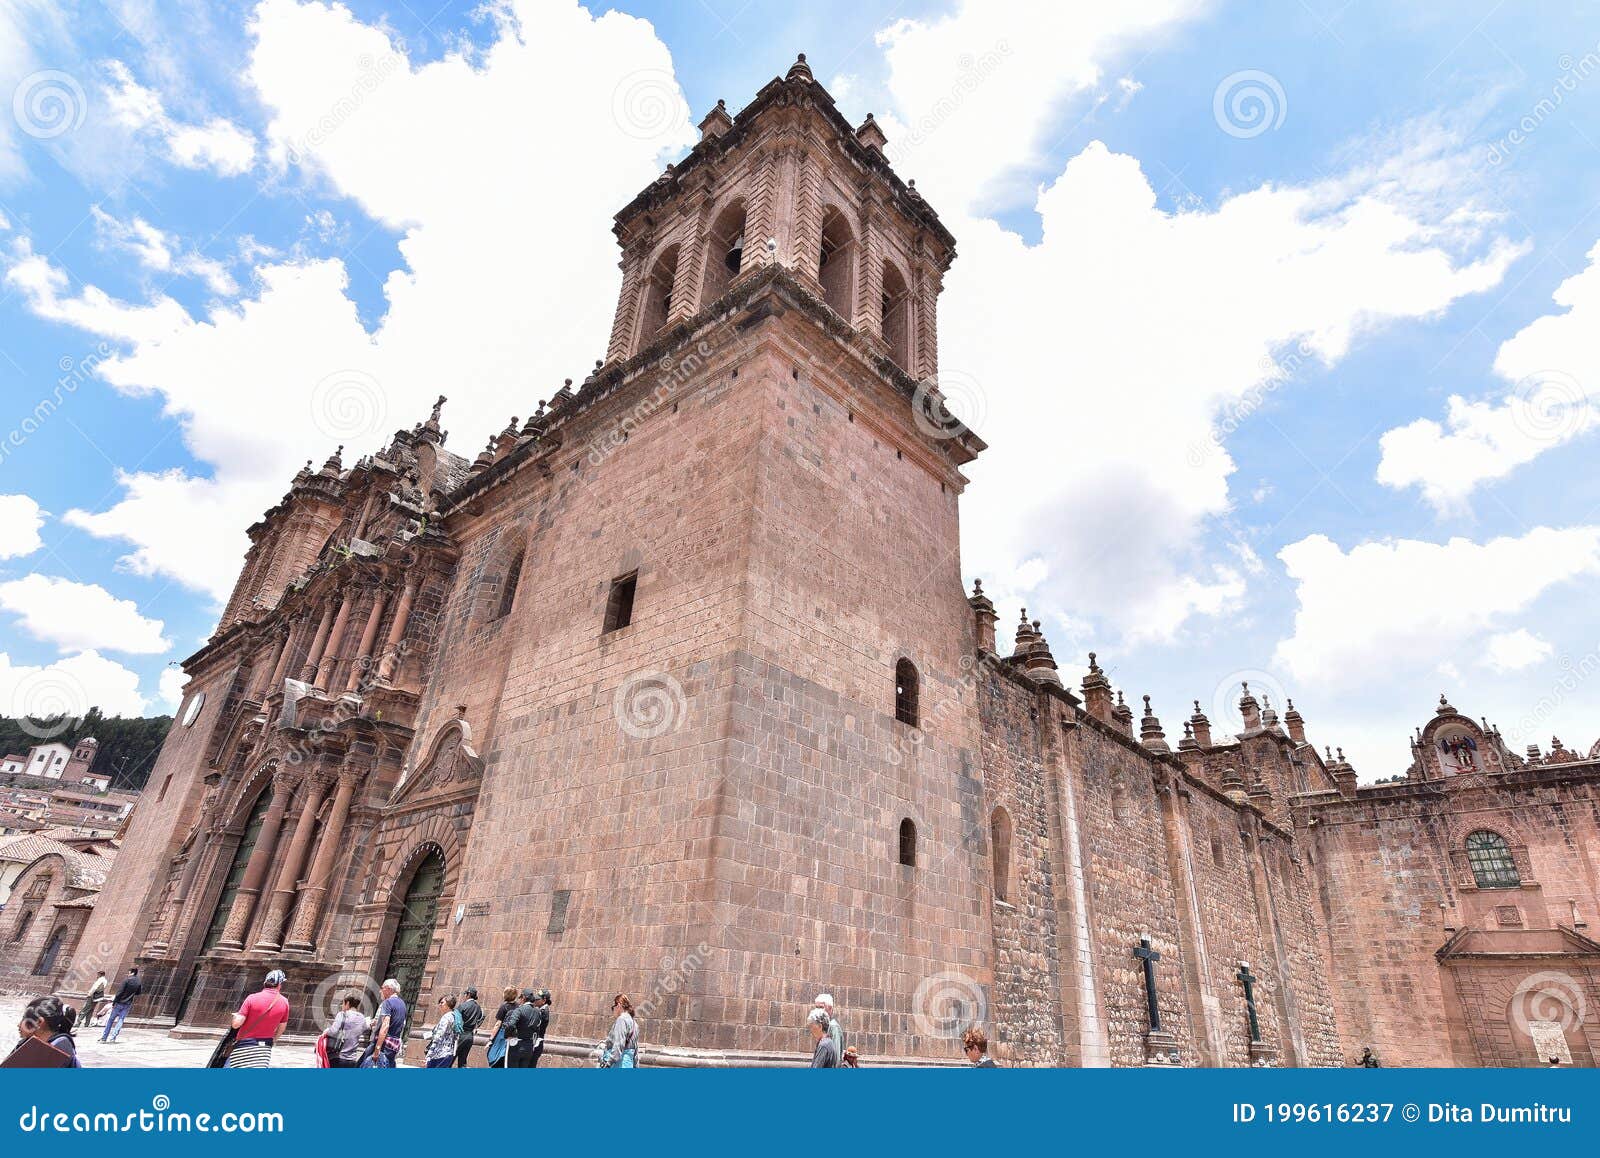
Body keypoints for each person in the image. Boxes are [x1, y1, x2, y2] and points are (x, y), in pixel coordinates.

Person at [226, 969, 291, 1068]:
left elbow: (236, 1024)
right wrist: (274, 1040)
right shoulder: (284, 1002)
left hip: (244, 1046)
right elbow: (282, 1027)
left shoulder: (252, 998)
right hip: (264, 1049)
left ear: (265, 982)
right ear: (279, 984)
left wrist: (235, 1017)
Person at [8, 996, 81, 1067]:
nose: (18, 1024)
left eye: (24, 1019)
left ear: (39, 1022)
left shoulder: (58, 1048)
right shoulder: (32, 1044)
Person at [371, 978, 408, 1068]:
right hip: (394, 1045)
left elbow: (385, 1026)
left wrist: (377, 1049)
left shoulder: (387, 1002)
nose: (380, 991)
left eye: (382, 988)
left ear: (389, 989)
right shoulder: (402, 1004)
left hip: (384, 1044)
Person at [324, 994, 368, 1068]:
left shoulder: (342, 1015)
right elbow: (364, 1029)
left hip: (338, 1057)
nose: (342, 1006)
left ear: (347, 1003)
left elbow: (333, 1031)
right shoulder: (362, 1018)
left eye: (343, 1003)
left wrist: (326, 1031)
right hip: (352, 1059)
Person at [99, 967, 142, 1043]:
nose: (128, 974)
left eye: (129, 972)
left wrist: (114, 1002)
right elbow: (138, 993)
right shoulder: (138, 982)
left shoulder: (127, 980)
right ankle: (113, 1037)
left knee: (111, 1020)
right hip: (128, 1003)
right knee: (121, 1020)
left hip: (119, 1002)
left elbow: (120, 992)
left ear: (132, 972)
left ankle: (104, 1037)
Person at [599, 993, 637, 1069]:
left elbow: (618, 1044)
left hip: (618, 1063)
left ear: (619, 1005)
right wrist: (635, 1065)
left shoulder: (621, 1020)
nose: (613, 1011)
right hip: (628, 1064)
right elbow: (635, 1048)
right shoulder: (634, 1023)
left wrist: (608, 1063)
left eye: (613, 1007)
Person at [504, 989, 540, 1068]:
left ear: (523, 998)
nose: (519, 1000)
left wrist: (507, 1036)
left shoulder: (519, 1010)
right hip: (529, 1046)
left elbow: (511, 1025)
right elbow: (537, 1029)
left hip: (517, 1045)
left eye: (520, 998)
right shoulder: (537, 1012)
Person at [425, 995, 459, 1068]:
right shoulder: (454, 1016)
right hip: (448, 1052)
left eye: (442, 1002)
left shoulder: (446, 1017)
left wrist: (429, 1054)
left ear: (448, 1004)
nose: (439, 1004)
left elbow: (438, 1036)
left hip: (439, 1054)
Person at [453, 986, 484, 1068]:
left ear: (469, 994)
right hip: (470, 1037)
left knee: (450, 1058)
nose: (464, 996)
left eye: (465, 994)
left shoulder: (463, 1006)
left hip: (460, 1035)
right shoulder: (478, 1008)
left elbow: (455, 1020)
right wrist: (475, 1027)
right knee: (463, 1062)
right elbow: (481, 1018)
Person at [813, 992, 843, 1059]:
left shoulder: (833, 1027)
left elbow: (835, 1059)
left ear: (830, 1008)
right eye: (816, 1007)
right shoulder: (824, 1026)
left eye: (821, 1007)